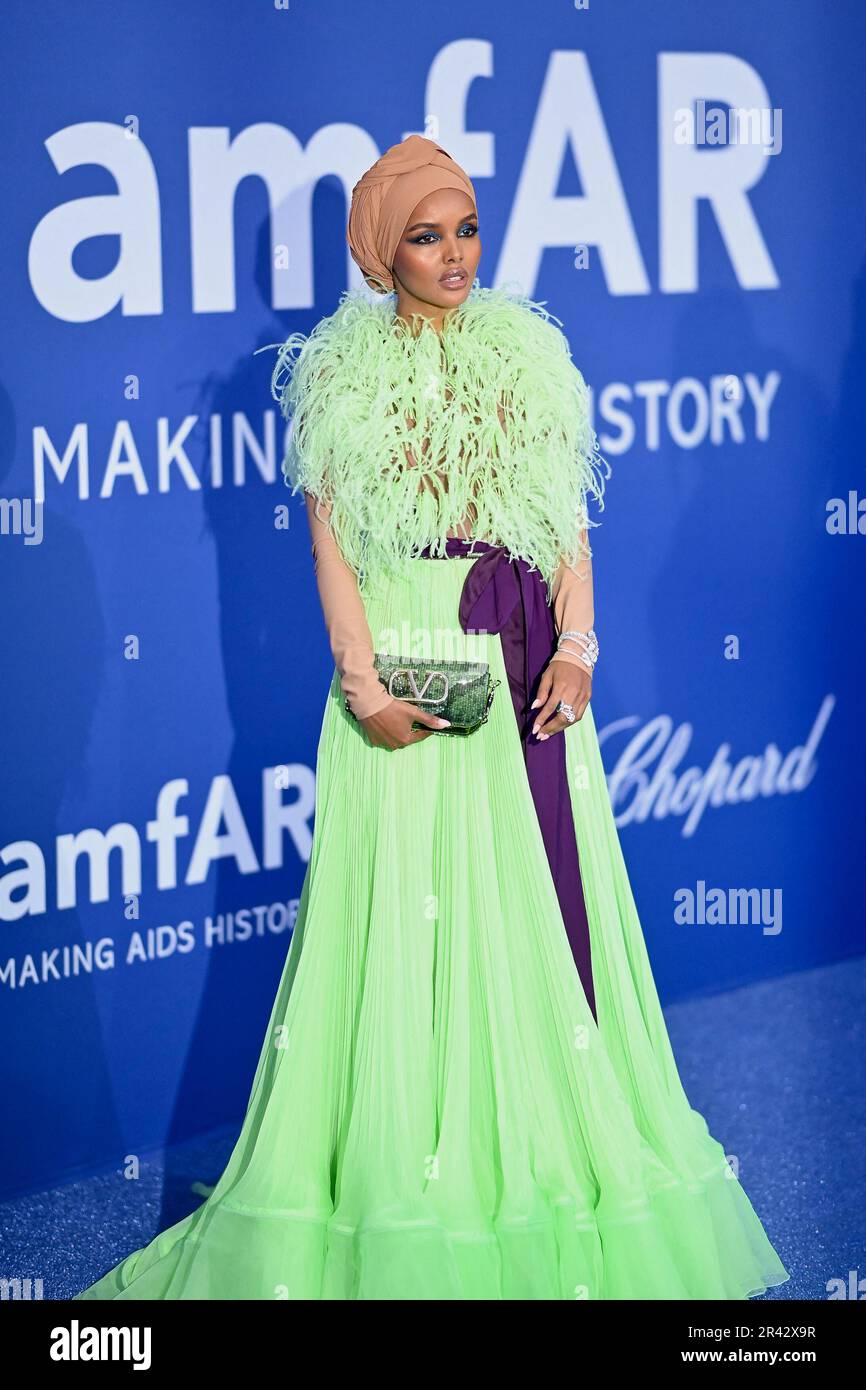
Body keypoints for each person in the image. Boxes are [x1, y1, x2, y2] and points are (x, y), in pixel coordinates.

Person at [73, 135, 790, 1301]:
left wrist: (576, 645)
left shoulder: (524, 353)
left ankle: (541, 1158)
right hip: (406, 666)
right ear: (379, 250)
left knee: (525, 929)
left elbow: (564, 521)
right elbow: (329, 550)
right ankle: (410, 1188)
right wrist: (361, 687)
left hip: (519, 668)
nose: (454, 255)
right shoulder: (334, 380)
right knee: (404, 938)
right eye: (425, 234)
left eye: (465, 228)